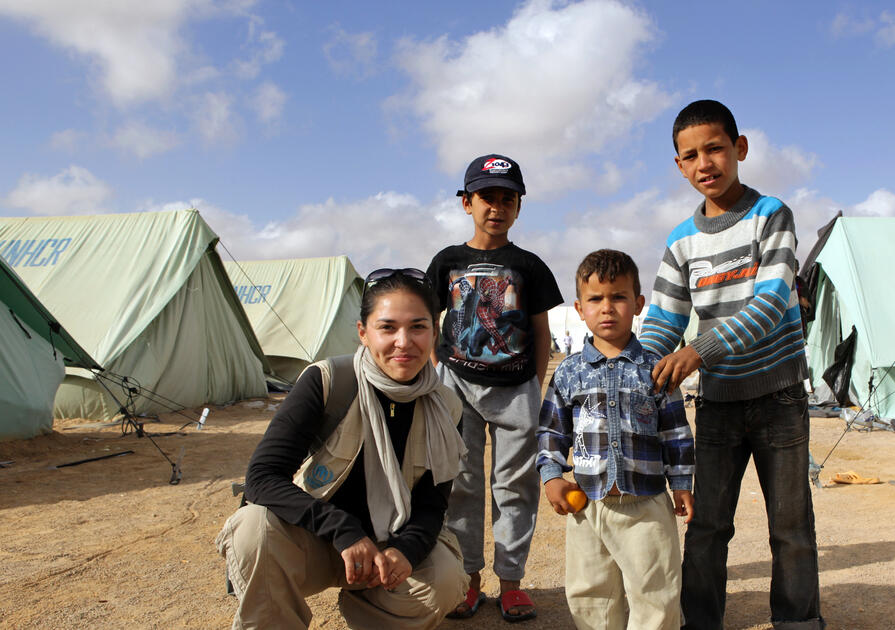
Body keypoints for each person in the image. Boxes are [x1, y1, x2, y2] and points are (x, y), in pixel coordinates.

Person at [639, 99, 821, 629]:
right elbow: (661, 324)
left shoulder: (772, 216)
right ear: (679, 166)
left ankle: (798, 622)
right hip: (717, 406)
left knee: (790, 526)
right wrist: (634, 371)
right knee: (708, 526)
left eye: (715, 148)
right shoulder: (680, 242)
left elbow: (769, 305)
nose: (705, 164)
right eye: (690, 155)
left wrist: (698, 352)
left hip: (779, 399)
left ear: (739, 149)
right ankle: (700, 623)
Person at [215, 268, 470, 630]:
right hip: (320, 541)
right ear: (363, 332)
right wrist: (342, 530)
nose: (404, 342)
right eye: (387, 327)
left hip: (387, 550)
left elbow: (432, 504)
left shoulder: (445, 406)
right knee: (254, 528)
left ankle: (371, 610)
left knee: (442, 581)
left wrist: (405, 551)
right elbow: (262, 478)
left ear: (434, 332)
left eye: (417, 327)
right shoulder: (326, 382)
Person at [426, 153, 562, 622]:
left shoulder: (529, 265)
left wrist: (534, 385)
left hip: (515, 388)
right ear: (467, 202)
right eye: (487, 197)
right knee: (459, 483)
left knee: (515, 486)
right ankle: (466, 580)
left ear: (519, 207)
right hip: (455, 387)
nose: (497, 207)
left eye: (508, 198)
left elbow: (541, 330)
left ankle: (511, 583)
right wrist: (434, 377)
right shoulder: (448, 261)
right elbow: (430, 320)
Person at [537, 249, 696, 629]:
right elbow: (551, 430)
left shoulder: (656, 367)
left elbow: (675, 430)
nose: (607, 308)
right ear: (579, 308)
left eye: (618, 297)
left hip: (646, 503)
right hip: (587, 505)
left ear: (638, 304)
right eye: (595, 299)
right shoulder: (568, 373)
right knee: (591, 592)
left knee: (655, 591)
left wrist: (682, 482)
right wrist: (551, 475)